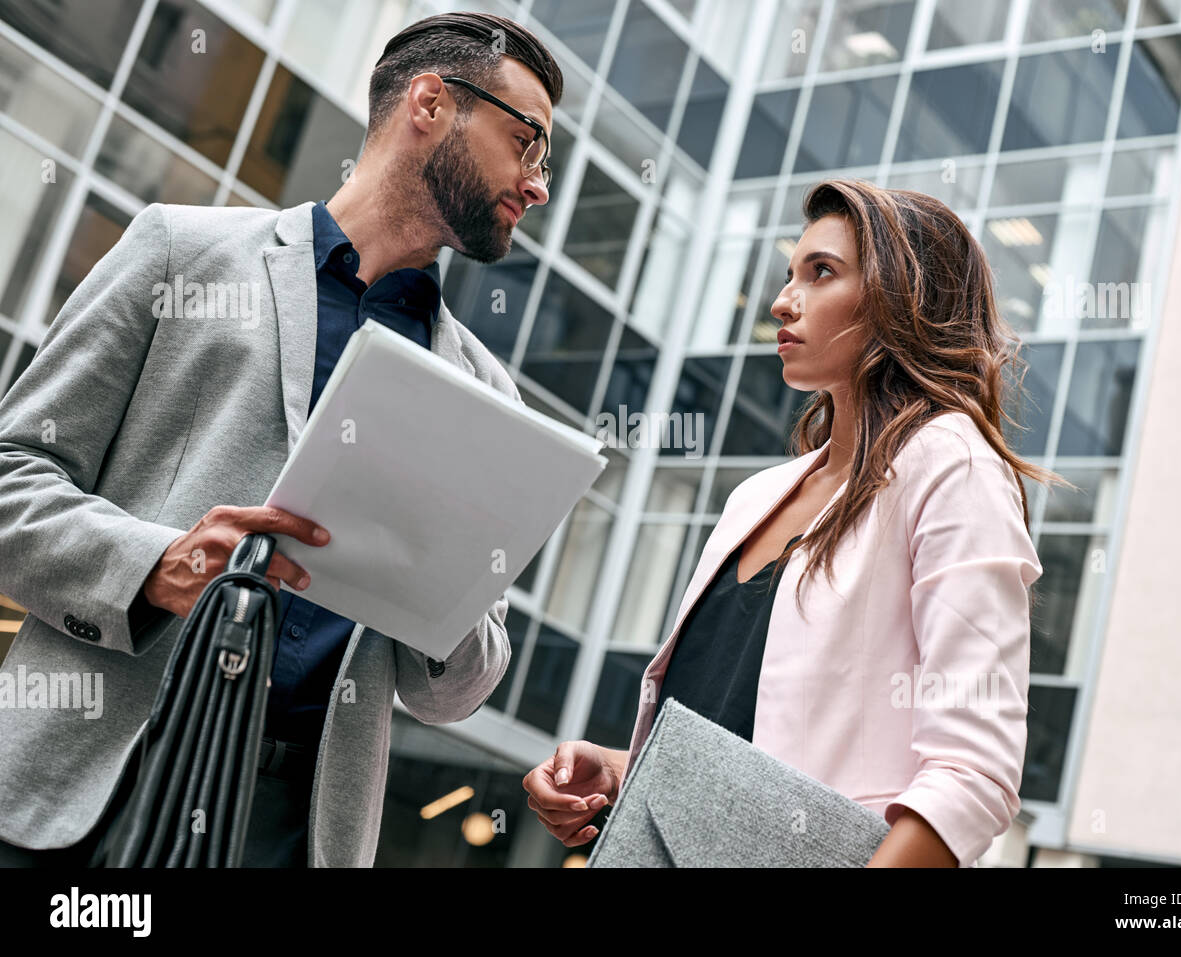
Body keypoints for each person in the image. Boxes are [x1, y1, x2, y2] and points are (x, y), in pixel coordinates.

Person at [0, 12, 563, 867]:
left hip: (293, 828)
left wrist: (438, 589)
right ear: (430, 102)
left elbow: (461, 687)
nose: (538, 184)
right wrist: (155, 565)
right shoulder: (180, 252)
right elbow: (13, 477)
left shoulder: (486, 394)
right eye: (528, 142)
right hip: (87, 788)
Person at [522, 178, 1073, 868]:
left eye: (821, 273)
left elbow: (974, 773)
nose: (783, 300)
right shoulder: (759, 494)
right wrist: (627, 770)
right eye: (790, 272)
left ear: (900, 297)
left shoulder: (952, 463)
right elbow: (748, 728)